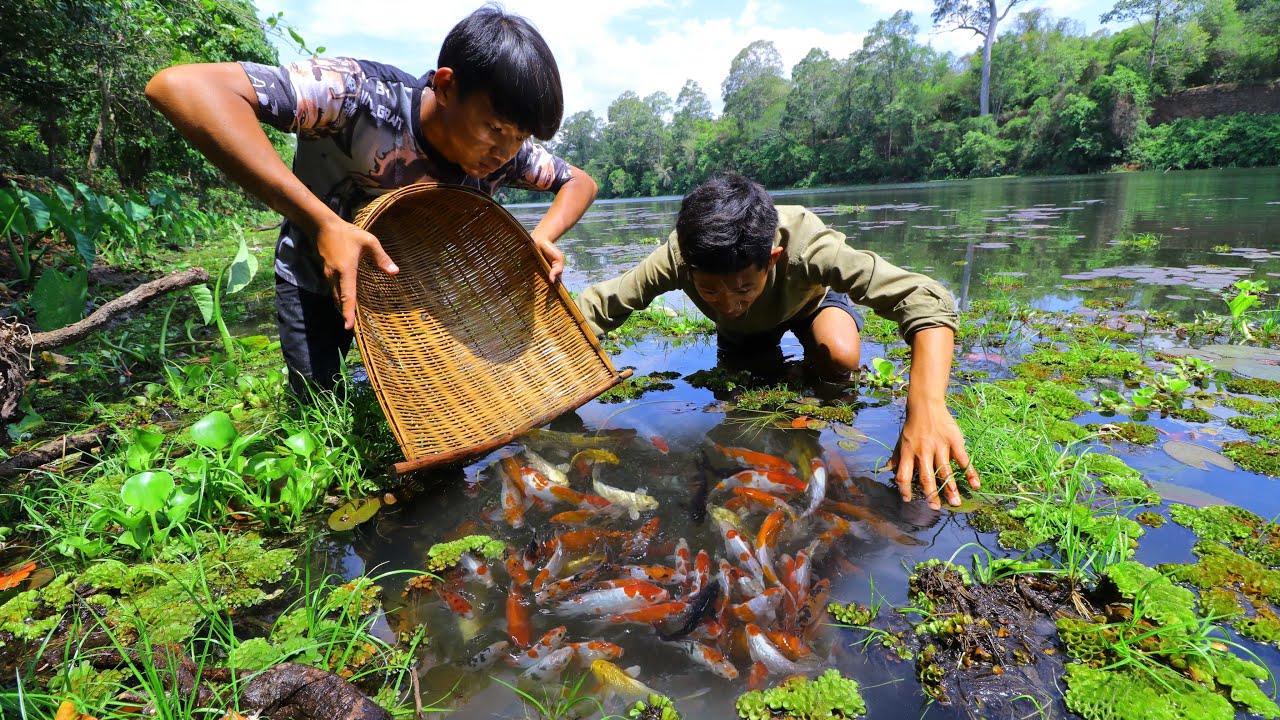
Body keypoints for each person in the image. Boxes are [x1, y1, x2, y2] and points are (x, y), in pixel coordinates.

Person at [146, 6, 598, 396]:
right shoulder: (356, 95)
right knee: (317, 401)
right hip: (316, 274)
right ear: (445, 87)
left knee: (435, 409)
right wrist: (323, 224)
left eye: (520, 137)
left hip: (414, 292)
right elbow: (179, 88)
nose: (505, 150)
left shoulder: (508, 155)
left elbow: (580, 183)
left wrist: (540, 236)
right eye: (496, 129)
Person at [575, 173, 979, 510]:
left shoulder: (807, 245)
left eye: (743, 287)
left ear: (772, 258)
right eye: (709, 292)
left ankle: (810, 382)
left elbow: (923, 297)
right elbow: (599, 306)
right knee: (746, 408)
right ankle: (783, 374)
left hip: (810, 306)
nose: (728, 303)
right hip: (745, 336)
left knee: (838, 356)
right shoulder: (679, 256)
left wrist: (925, 407)